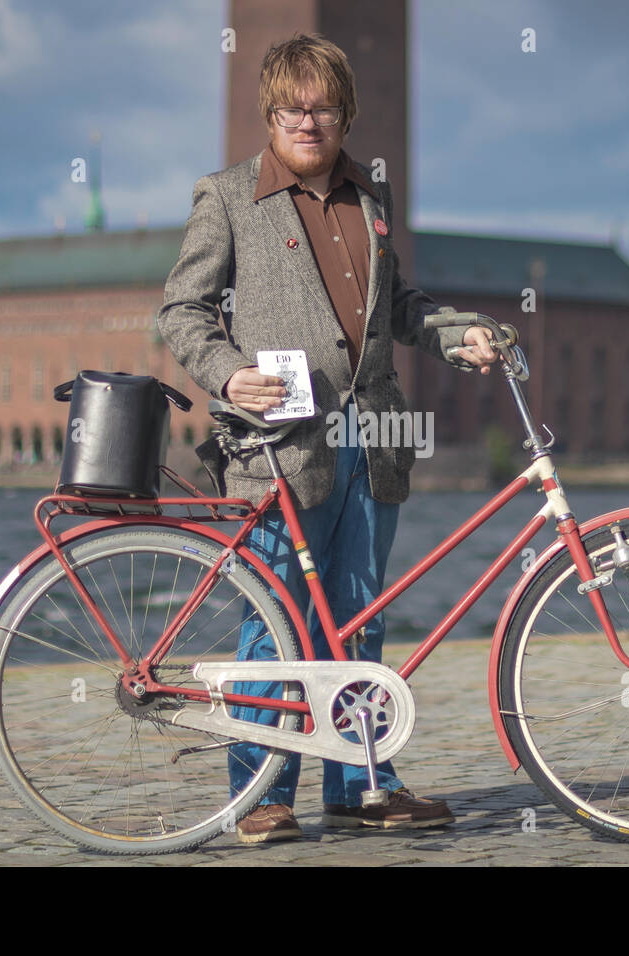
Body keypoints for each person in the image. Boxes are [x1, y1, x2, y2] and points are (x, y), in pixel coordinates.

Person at [157, 32, 495, 844]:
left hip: (371, 443)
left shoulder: (368, 200)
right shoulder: (228, 196)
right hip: (277, 448)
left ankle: (361, 787)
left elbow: (402, 306)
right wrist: (229, 373)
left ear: (346, 114)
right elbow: (180, 310)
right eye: (292, 109)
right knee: (272, 628)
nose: (308, 122)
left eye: (324, 109)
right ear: (271, 113)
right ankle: (262, 796)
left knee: (359, 621)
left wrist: (457, 334)